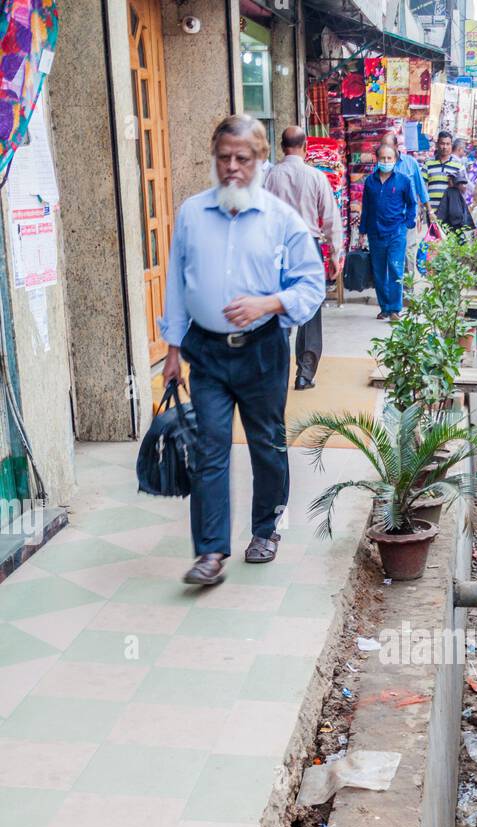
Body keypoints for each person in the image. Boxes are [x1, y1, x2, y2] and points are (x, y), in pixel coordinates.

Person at [160, 115, 324, 587]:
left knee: (266, 444)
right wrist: (172, 348)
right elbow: (176, 281)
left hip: (262, 351)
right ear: (214, 159)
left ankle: (266, 529)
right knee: (210, 448)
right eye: (224, 158)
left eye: (242, 159)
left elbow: (311, 284)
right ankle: (210, 551)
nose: (232, 167)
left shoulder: (281, 219)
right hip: (206, 354)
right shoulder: (191, 213)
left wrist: (269, 303)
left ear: (260, 161)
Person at [265, 125, 343, 391]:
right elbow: (331, 218)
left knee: (279, 308)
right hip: (308, 246)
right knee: (309, 310)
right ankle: (304, 375)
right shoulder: (316, 177)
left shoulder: (271, 177)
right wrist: (336, 255)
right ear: (305, 147)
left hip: (279, 249)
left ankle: (278, 372)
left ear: (282, 146)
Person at [360, 140, 417, 322]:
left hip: (396, 233)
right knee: (378, 271)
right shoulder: (370, 181)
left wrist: (407, 222)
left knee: (395, 268)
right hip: (375, 233)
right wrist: (362, 231)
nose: (386, 161)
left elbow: (412, 203)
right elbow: (366, 207)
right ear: (377, 159)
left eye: (389, 158)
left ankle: (395, 309)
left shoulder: (403, 180)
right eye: (382, 158)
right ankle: (384, 307)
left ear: (396, 159)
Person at [379, 130, 430, 280]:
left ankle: (408, 290)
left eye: (388, 146)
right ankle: (394, 287)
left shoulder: (410, 163)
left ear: (396, 146)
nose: (386, 151)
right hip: (387, 220)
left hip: (407, 217)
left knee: (408, 251)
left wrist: (429, 212)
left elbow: (421, 188)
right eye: (383, 147)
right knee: (391, 253)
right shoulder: (381, 166)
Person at [424, 131, 464, 211]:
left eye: (448, 144)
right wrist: (426, 210)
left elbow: (463, 190)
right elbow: (422, 189)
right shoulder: (428, 164)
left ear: (451, 145)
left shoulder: (459, 166)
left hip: (450, 212)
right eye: (442, 143)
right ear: (437, 144)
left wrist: (454, 184)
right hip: (432, 212)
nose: (445, 147)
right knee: (433, 224)